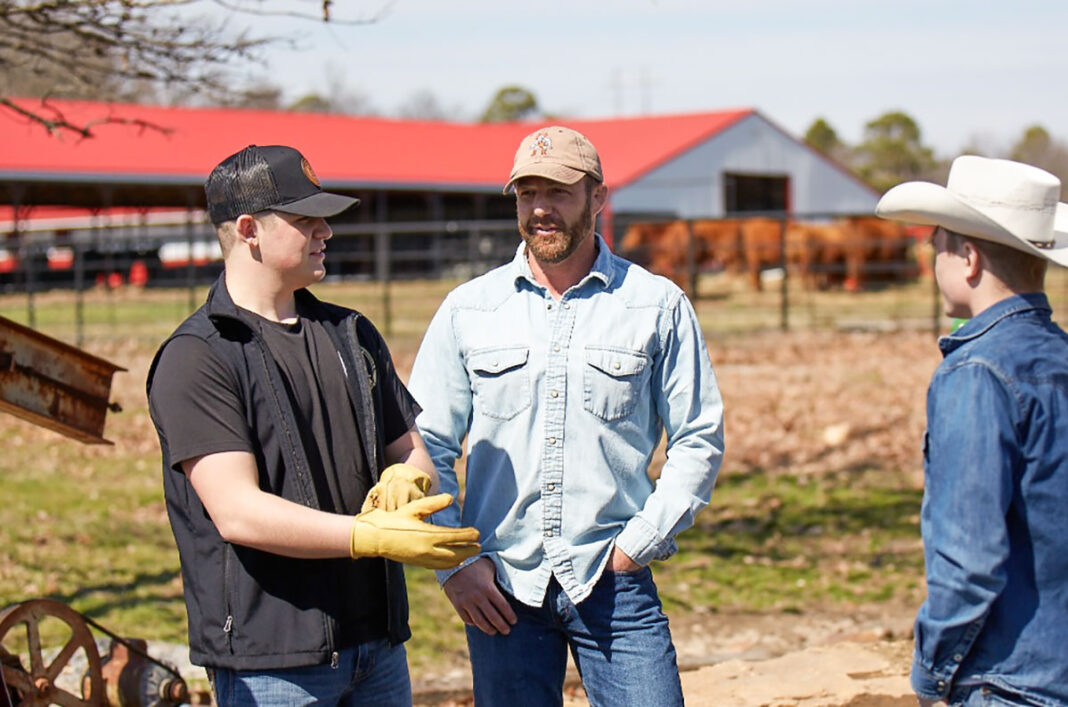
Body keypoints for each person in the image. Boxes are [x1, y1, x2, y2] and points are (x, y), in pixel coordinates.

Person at [146, 144, 480, 706]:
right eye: (305, 219)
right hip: (271, 661)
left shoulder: (351, 333)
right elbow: (237, 511)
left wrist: (408, 479)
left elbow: (411, 449)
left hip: (376, 644)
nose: (325, 230)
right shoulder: (199, 355)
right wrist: (364, 536)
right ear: (249, 229)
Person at [409, 126, 725, 706]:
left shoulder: (655, 305)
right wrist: (455, 564)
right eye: (527, 193)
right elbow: (424, 445)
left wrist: (642, 542)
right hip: (501, 586)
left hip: (614, 580)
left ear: (598, 197)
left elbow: (698, 437)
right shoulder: (469, 309)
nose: (541, 209)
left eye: (558, 192)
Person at [876, 155, 1068, 707]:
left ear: (969, 258)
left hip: (1011, 679)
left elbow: (970, 557)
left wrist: (933, 675)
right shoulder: (1057, 359)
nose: (931, 257)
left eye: (937, 244)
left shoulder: (975, 373)